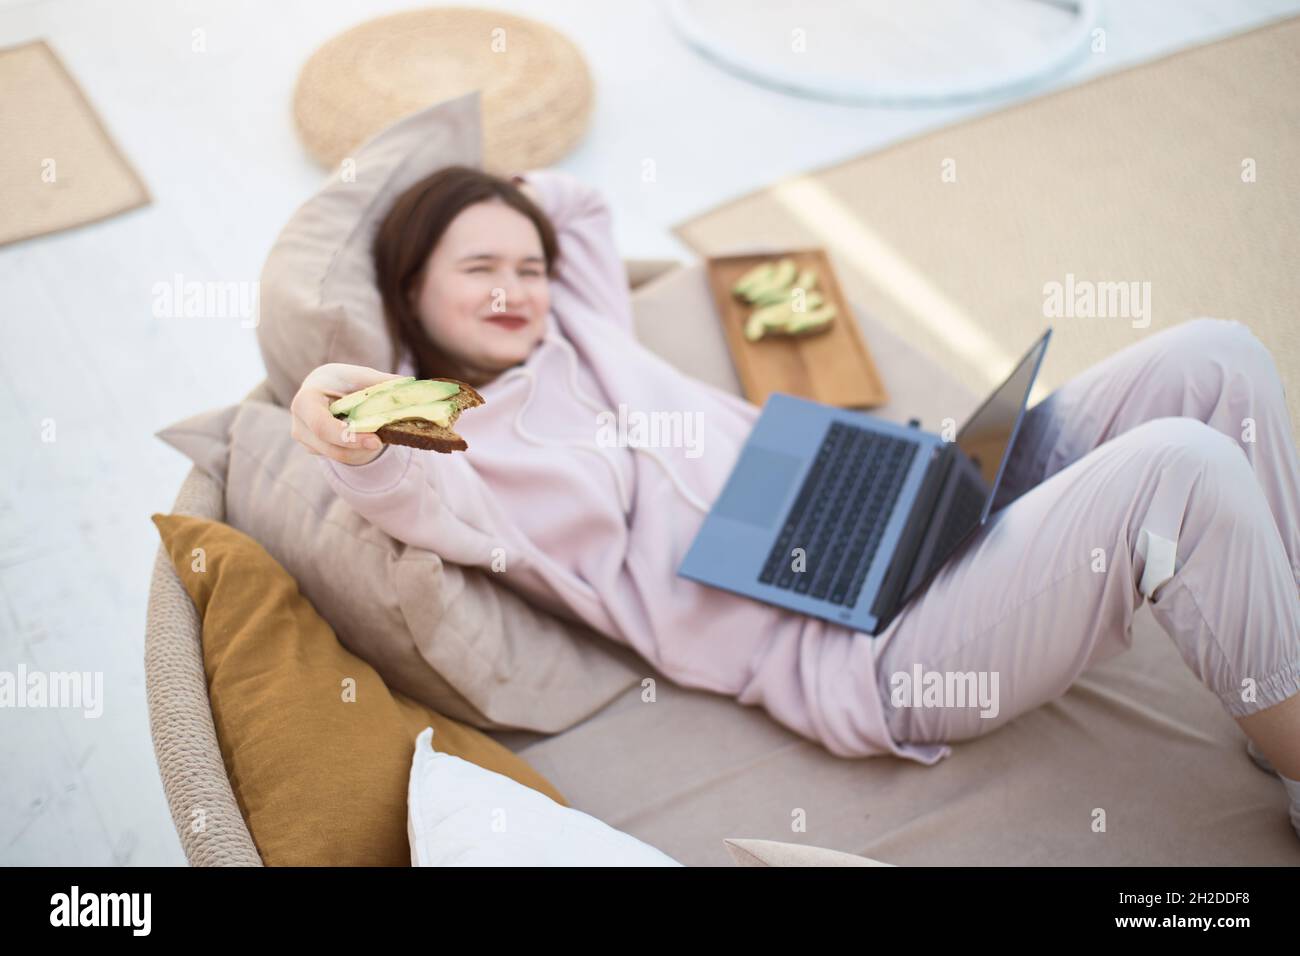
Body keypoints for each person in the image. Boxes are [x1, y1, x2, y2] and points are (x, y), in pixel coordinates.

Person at [289, 165, 1300, 839]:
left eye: (529, 266)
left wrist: (491, 194)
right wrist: (336, 408)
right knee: (1180, 466)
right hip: (871, 645)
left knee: (1217, 355)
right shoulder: (464, 454)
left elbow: (582, 210)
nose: (516, 289)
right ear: (408, 288)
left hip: (912, 497)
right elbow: (396, 483)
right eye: (478, 270)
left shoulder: (581, 333)